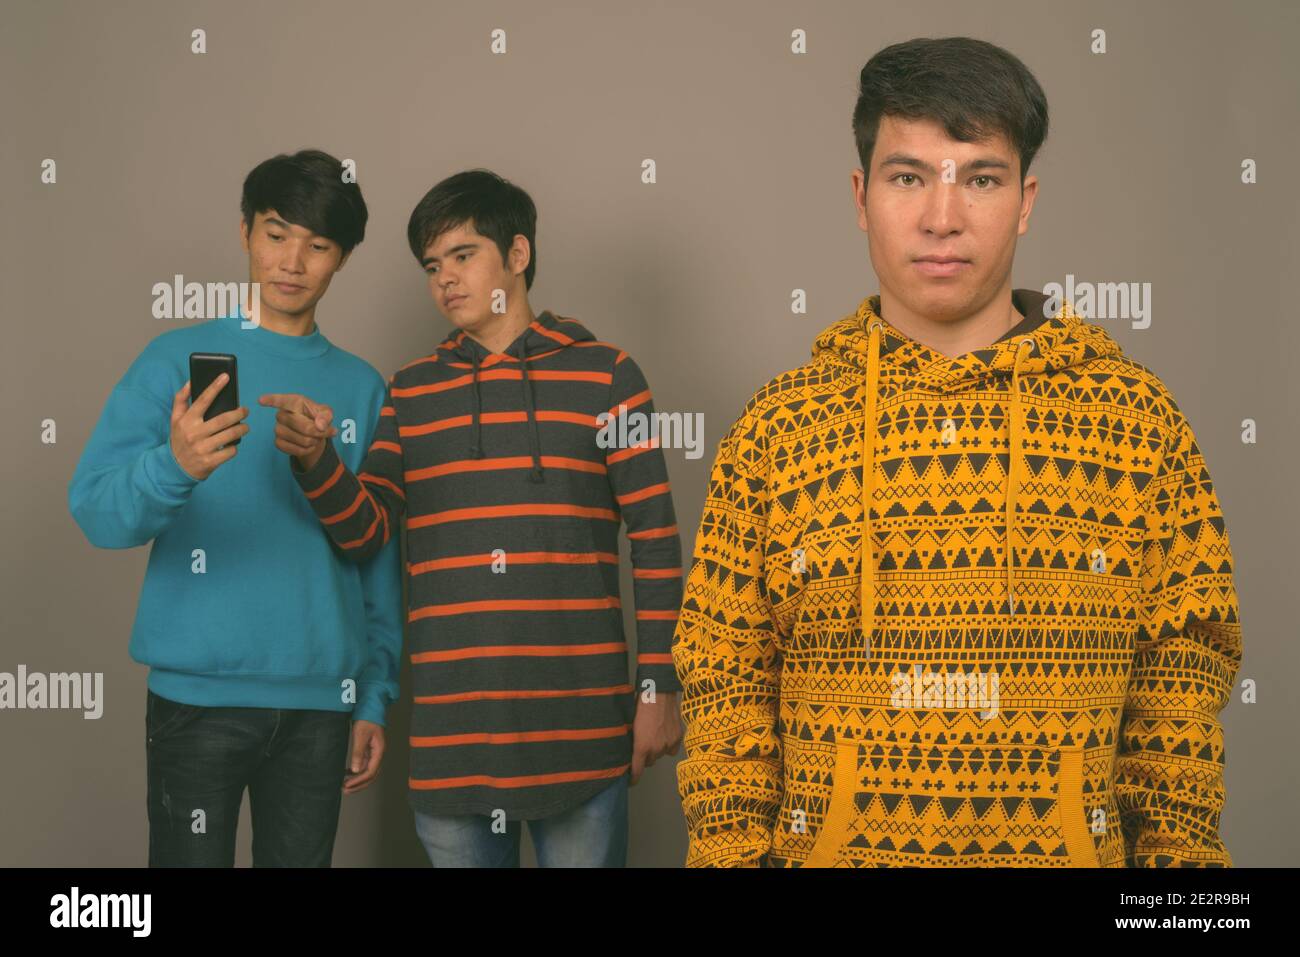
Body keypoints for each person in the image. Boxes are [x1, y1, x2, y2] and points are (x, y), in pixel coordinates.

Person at [672, 37, 1243, 868]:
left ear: (1026, 199)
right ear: (862, 197)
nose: (943, 217)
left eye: (980, 177)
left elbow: (1182, 690)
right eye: (909, 177)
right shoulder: (775, 432)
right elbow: (725, 686)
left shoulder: (1136, 422)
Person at [263, 169, 684, 867]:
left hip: (580, 734)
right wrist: (316, 462)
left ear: (516, 256)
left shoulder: (607, 376)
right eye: (432, 266)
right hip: (452, 745)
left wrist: (658, 685)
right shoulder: (410, 392)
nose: (444, 281)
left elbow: (657, 541)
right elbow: (366, 532)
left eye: (462, 256)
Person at [68, 149, 403, 867]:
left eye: (318, 245)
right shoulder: (172, 359)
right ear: (245, 231)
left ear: (341, 259)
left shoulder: (363, 387)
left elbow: (377, 555)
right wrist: (175, 464)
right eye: (277, 233)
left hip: (322, 704)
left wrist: (372, 695)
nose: (292, 260)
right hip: (197, 700)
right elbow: (94, 509)